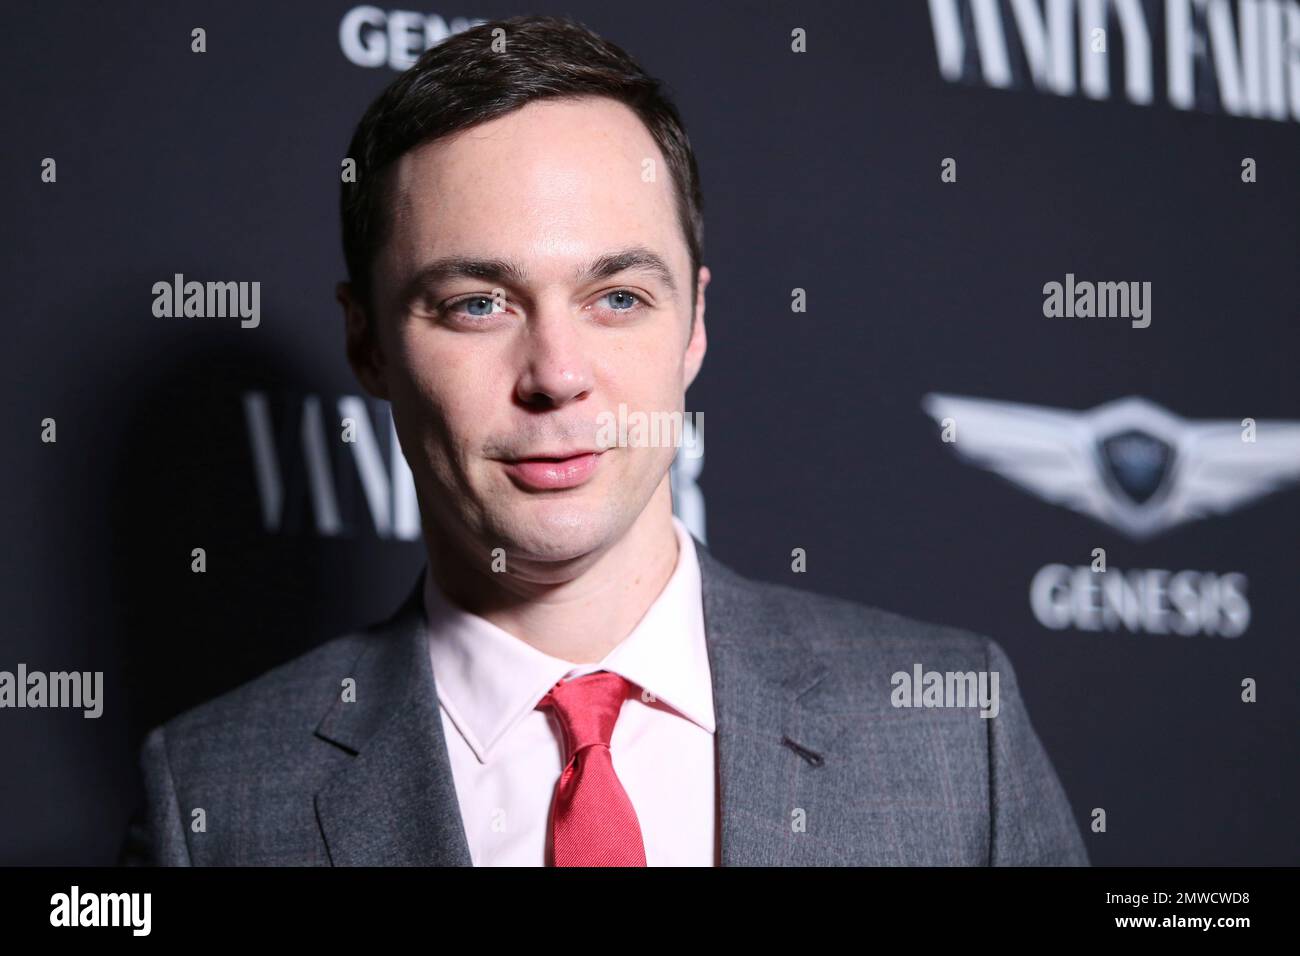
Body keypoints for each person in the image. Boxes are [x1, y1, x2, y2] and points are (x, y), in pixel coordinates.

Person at [120, 13, 1088, 867]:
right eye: (476, 303)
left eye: (616, 297)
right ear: (367, 342)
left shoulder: (956, 734)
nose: (556, 372)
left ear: (695, 323)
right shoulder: (211, 800)